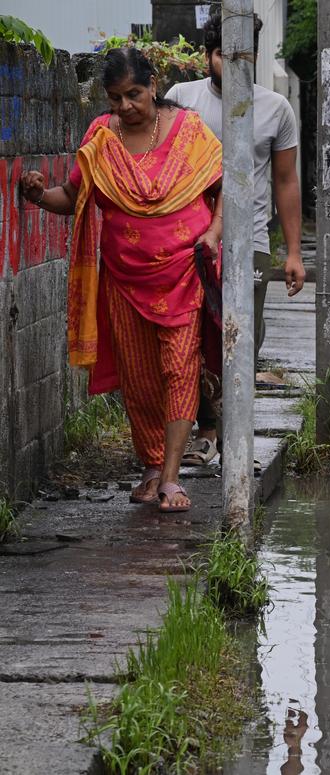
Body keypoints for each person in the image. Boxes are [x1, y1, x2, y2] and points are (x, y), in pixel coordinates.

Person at [19, 47, 223, 513]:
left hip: (183, 274)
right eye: (116, 98)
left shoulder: (189, 131)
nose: (126, 106)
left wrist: (212, 231)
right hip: (123, 280)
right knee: (139, 377)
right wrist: (37, 195)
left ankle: (171, 477)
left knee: (179, 368)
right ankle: (152, 465)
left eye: (134, 94)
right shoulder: (101, 137)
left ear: (154, 84)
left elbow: (224, 188)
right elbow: (73, 196)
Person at [167, 9, 305, 467]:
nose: (234, 64)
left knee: (244, 338)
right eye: (225, 55)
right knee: (191, 338)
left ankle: (228, 430)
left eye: (243, 56)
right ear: (208, 57)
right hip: (186, 243)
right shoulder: (181, 101)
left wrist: (294, 253)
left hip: (252, 246)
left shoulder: (274, 108)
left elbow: (286, 182)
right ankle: (207, 430)